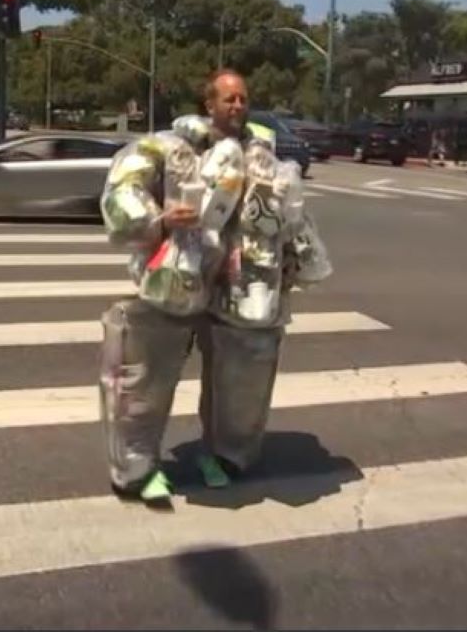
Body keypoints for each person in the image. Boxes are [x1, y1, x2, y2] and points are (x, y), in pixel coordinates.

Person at [97, 69, 328, 504]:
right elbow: (121, 189)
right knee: (143, 377)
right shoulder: (168, 147)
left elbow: (292, 219)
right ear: (209, 103)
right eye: (228, 99)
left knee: (243, 383)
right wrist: (159, 220)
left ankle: (228, 456)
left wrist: (296, 265)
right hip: (174, 281)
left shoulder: (265, 159)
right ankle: (136, 466)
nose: (237, 106)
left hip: (241, 290)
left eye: (243, 98)